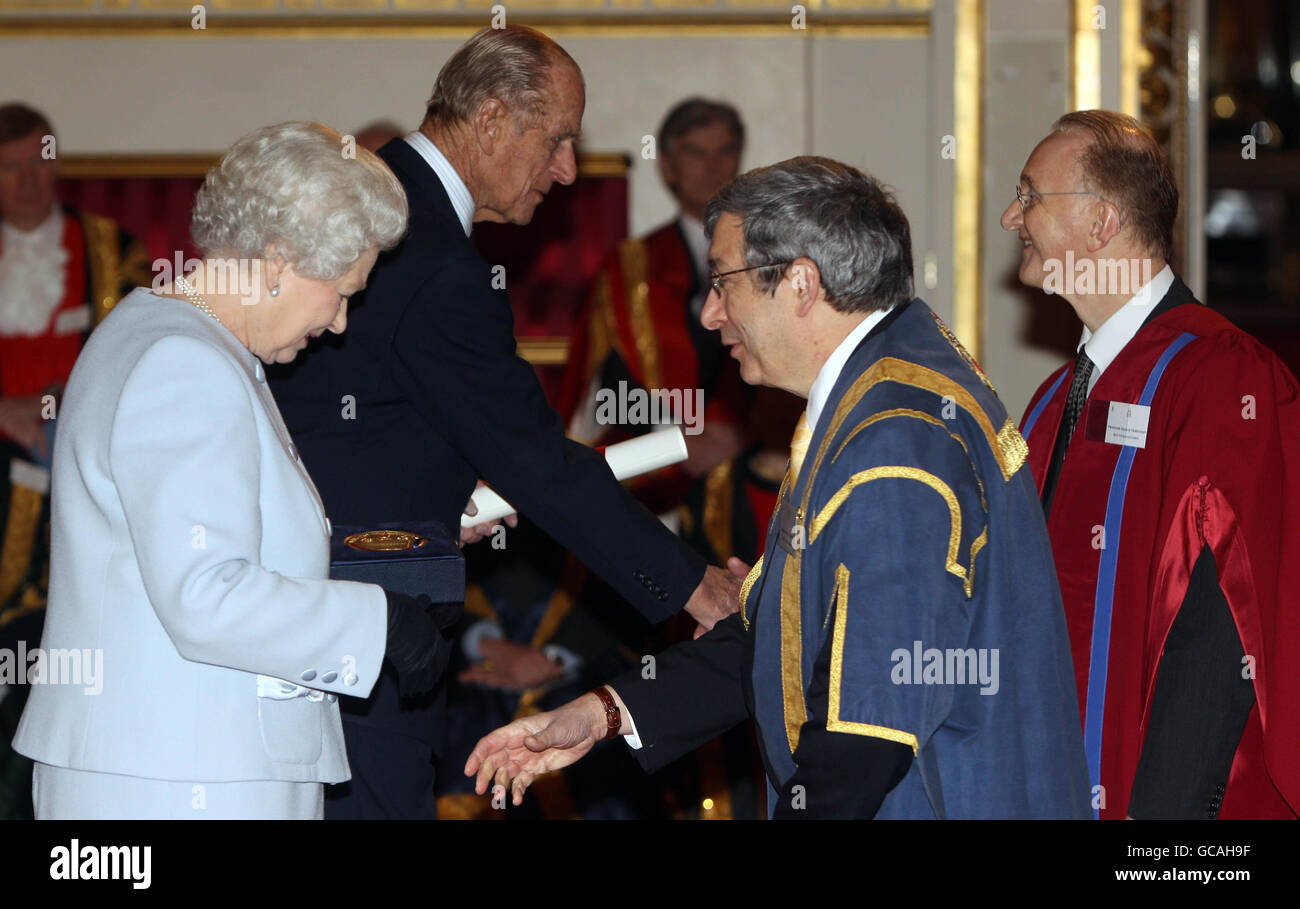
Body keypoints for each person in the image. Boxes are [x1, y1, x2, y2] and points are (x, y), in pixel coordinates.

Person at [466, 157, 1091, 819]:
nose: (710, 313)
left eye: (723, 281)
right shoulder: (885, 388)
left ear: (800, 282)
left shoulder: (894, 441)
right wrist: (604, 714)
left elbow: (863, 742)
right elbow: (782, 631)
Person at [268, 25, 739, 820]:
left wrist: (442, 493)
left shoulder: (391, 207)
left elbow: (366, 418)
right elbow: (539, 463)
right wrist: (698, 589)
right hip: (362, 615)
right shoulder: (432, 255)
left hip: (328, 599)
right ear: (491, 120)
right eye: (557, 141)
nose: (566, 170)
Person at [12, 122, 458, 819]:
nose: (341, 322)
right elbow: (205, 593)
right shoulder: (185, 364)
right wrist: (378, 623)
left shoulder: (155, 329)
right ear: (277, 258)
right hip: (180, 778)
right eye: (342, 290)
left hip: (169, 764)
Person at [1006, 110, 1300, 819]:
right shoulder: (1055, 397)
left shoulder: (1220, 375)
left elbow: (1220, 626)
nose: (1013, 216)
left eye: (1031, 195)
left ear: (1101, 222)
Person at [0, 102, 150, 818]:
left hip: (84, 480)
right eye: (10, 168)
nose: (29, 182)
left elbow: (145, 355)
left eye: (40, 162)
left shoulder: (113, 251)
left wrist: (63, 401)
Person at [560, 98, 750, 515]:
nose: (713, 166)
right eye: (696, 152)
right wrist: (676, 437)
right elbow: (601, 386)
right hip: (654, 466)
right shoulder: (629, 268)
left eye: (725, 151)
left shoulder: (771, 256)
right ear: (666, 166)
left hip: (748, 466)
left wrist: (736, 433)